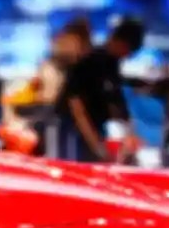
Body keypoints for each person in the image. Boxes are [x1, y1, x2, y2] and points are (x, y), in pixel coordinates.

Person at [57, 18, 142, 163]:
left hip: (96, 127)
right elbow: (76, 105)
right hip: (73, 128)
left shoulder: (112, 65)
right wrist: (95, 144)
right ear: (119, 42)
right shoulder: (88, 62)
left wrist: (130, 133)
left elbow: (117, 102)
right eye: (127, 50)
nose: (126, 55)